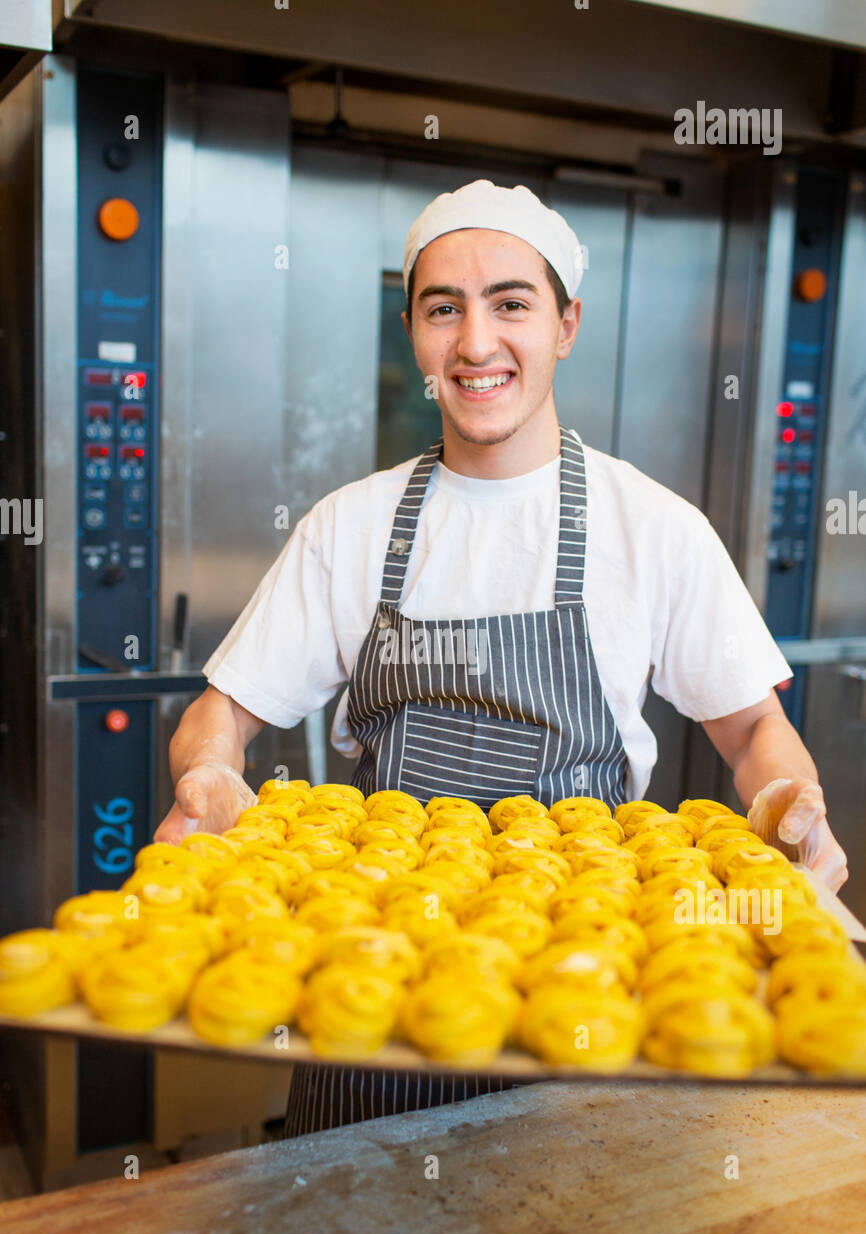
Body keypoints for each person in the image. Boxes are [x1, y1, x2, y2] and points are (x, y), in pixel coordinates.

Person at [154, 179, 848, 1136]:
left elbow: (757, 729)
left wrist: (791, 807)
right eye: (445, 308)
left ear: (565, 323)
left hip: (592, 994)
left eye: (511, 303)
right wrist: (206, 776)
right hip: (376, 1001)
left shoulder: (654, 529)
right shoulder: (348, 529)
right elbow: (221, 713)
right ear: (414, 331)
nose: (477, 343)